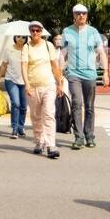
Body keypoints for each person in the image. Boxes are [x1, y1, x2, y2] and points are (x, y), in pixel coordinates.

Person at [60, 3, 110, 149]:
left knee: (89, 106)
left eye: (83, 13)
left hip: (90, 73)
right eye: (78, 13)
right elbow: (62, 54)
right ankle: (79, 137)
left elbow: (101, 53)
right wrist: (59, 73)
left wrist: (105, 73)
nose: (81, 16)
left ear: (87, 15)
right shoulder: (67, 31)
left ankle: (89, 135)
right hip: (73, 73)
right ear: (73, 15)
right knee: (76, 102)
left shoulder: (93, 32)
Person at [25, 21, 68, 158]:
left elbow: (54, 66)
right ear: (30, 32)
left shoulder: (48, 46)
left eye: (38, 30)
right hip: (33, 87)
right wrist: (26, 84)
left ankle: (51, 146)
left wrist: (60, 82)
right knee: (36, 116)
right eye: (33, 30)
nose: (35, 33)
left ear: (42, 32)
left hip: (48, 85)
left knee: (49, 115)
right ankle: (39, 142)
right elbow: (24, 67)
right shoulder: (27, 47)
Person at [0, 33, 29, 139]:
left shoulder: (28, 50)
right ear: (15, 37)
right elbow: (4, 65)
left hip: (25, 82)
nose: (20, 39)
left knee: (23, 106)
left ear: (26, 38)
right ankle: (14, 129)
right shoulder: (9, 49)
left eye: (23, 37)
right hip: (11, 80)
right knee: (16, 103)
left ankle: (20, 127)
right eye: (18, 36)